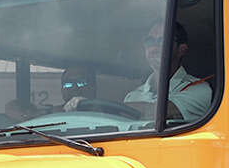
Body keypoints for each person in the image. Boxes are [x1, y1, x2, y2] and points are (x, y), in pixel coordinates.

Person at [67, 22, 212, 124]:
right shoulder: (132, 96)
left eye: (163, 40)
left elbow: (159, 112)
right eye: (150, 41)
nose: (154, 48)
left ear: (182, 49)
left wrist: (98, 106)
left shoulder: (199, 89)